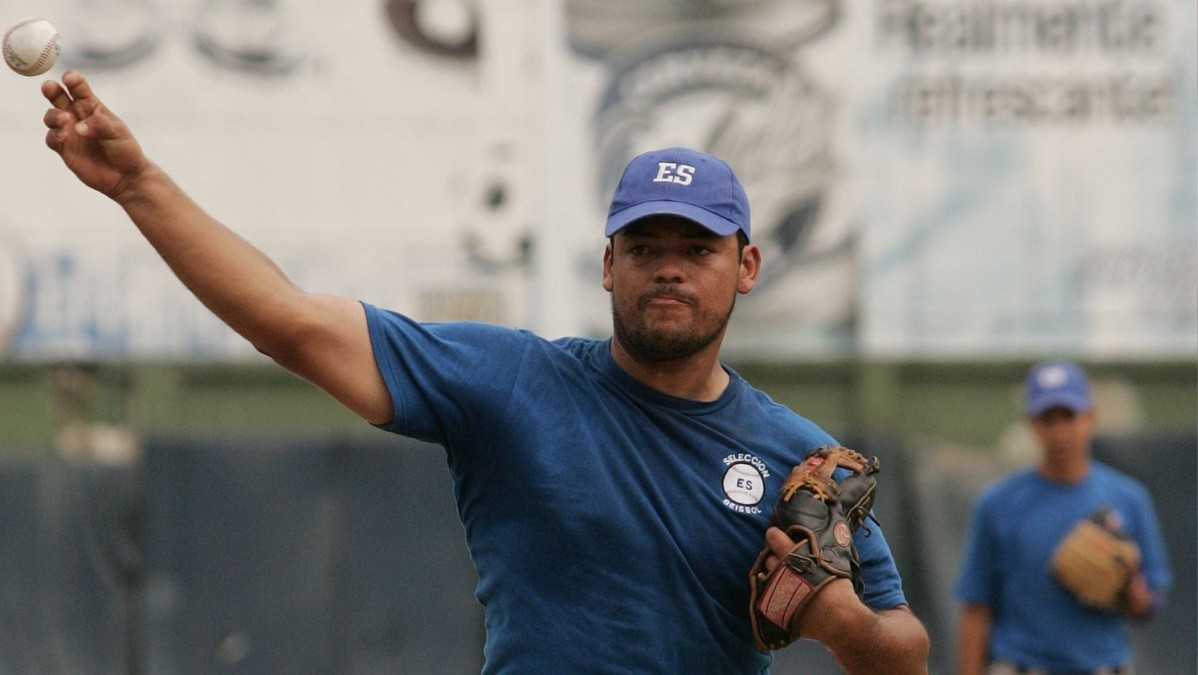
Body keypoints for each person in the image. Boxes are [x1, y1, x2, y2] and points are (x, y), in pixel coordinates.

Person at [39, 69, 929, 674]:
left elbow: (903, 654)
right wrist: (138, 186)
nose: (669, 266)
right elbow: (289, 323)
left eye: (696, 247)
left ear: (747, 266)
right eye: (646, 244)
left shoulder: (796, 456)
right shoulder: (513, 381)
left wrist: (836, 616)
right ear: (606, 263)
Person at [954, 360, 1172, 675]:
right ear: (1032, 423)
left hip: (1103, 666)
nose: (1059, 431)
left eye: (1068, 416)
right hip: (1022, 666)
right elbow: (976, 607)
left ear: (1090, 418)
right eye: (1047, 418)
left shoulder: (1128, 498)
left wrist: (1133, 594)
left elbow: (1152, 601)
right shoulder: (998, 503)